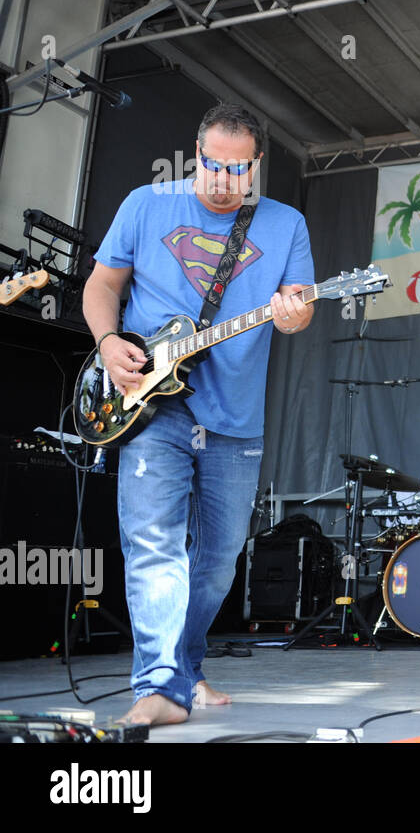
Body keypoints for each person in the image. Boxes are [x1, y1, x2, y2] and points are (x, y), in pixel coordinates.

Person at [84, 103, 314, 725]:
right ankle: (157, 686)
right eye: (212, 165)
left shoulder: (285, 223)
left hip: (235, 417)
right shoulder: (145, 205)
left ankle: (183, 671)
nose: (222, 180)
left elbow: (298, 308)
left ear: (256, 166)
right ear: (196, 153)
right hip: (152, 409)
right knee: (155, 545)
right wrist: (109, 344)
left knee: (216, 562)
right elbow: (102, 286)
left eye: (237, 170)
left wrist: (297, 313)